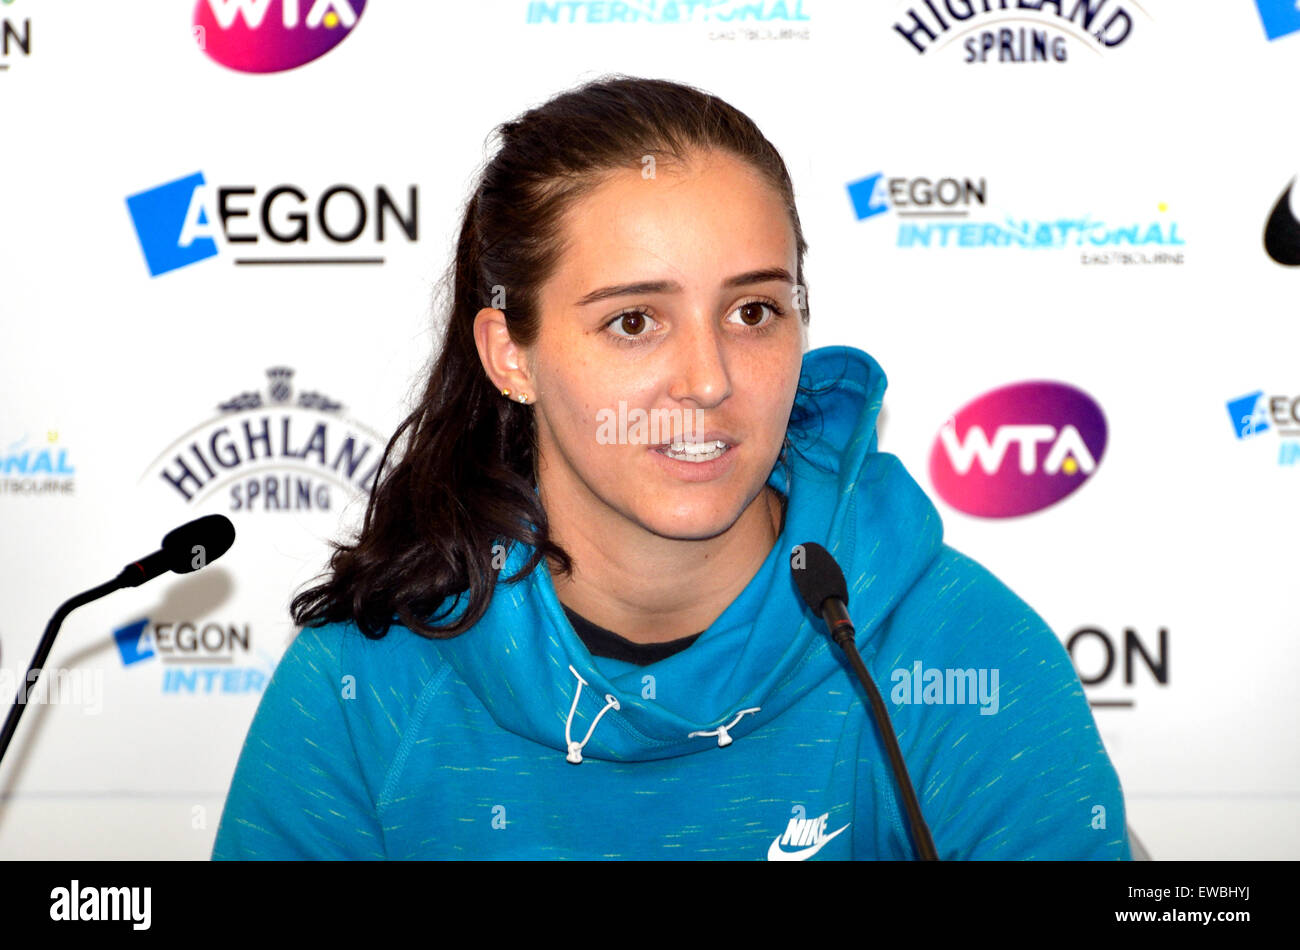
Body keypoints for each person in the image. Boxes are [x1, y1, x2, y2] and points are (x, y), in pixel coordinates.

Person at [211, 74, 1131, 861]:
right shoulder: (359, 690)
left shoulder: (962, 654)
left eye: (755, 312)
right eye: (634, 321)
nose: (709, 380)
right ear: (510, 355)